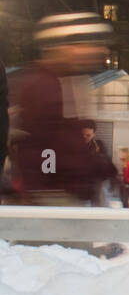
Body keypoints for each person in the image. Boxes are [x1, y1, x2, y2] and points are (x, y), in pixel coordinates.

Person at [9, 13, 117, 212]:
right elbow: (44, 146)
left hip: (67, 195)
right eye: (90, 44)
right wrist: (51, 185)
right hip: (53, 199)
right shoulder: (43, 86)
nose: (100, 50)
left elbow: (68, 142)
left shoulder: (69, 81)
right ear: (67, 47)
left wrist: (97, 167)